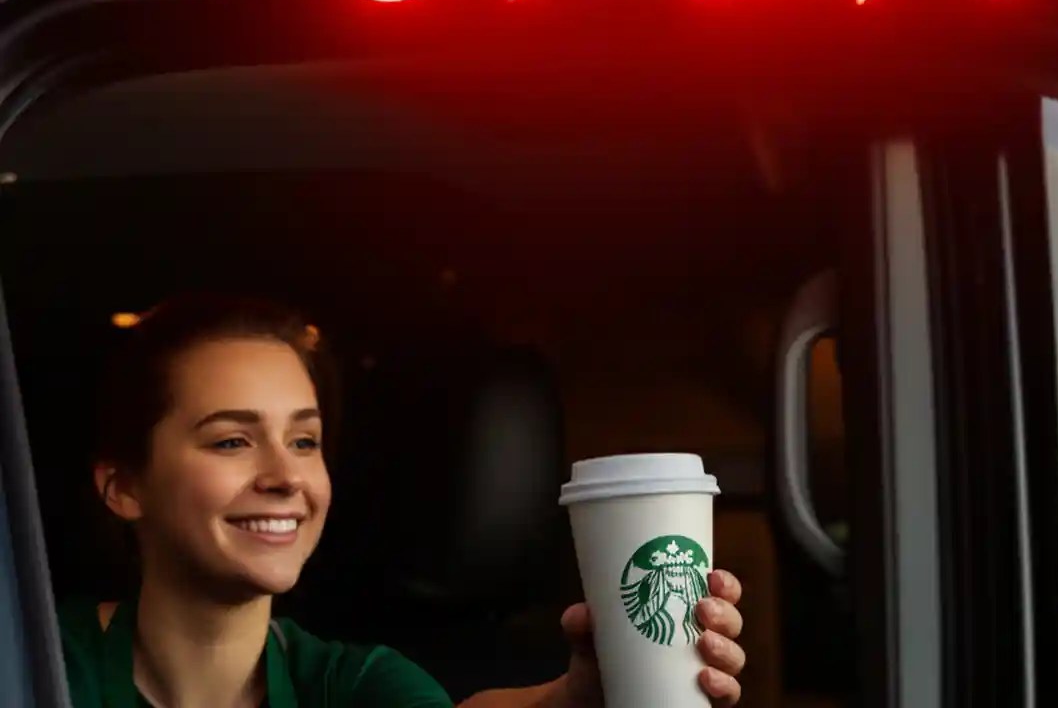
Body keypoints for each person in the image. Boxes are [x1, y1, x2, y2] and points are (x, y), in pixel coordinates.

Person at [58, 295, 747, 707]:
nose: (286, 477)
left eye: (304, 442)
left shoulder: (352, 683)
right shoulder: (36, 662)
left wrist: (586, 695)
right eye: (232, 441)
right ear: (123, 486)